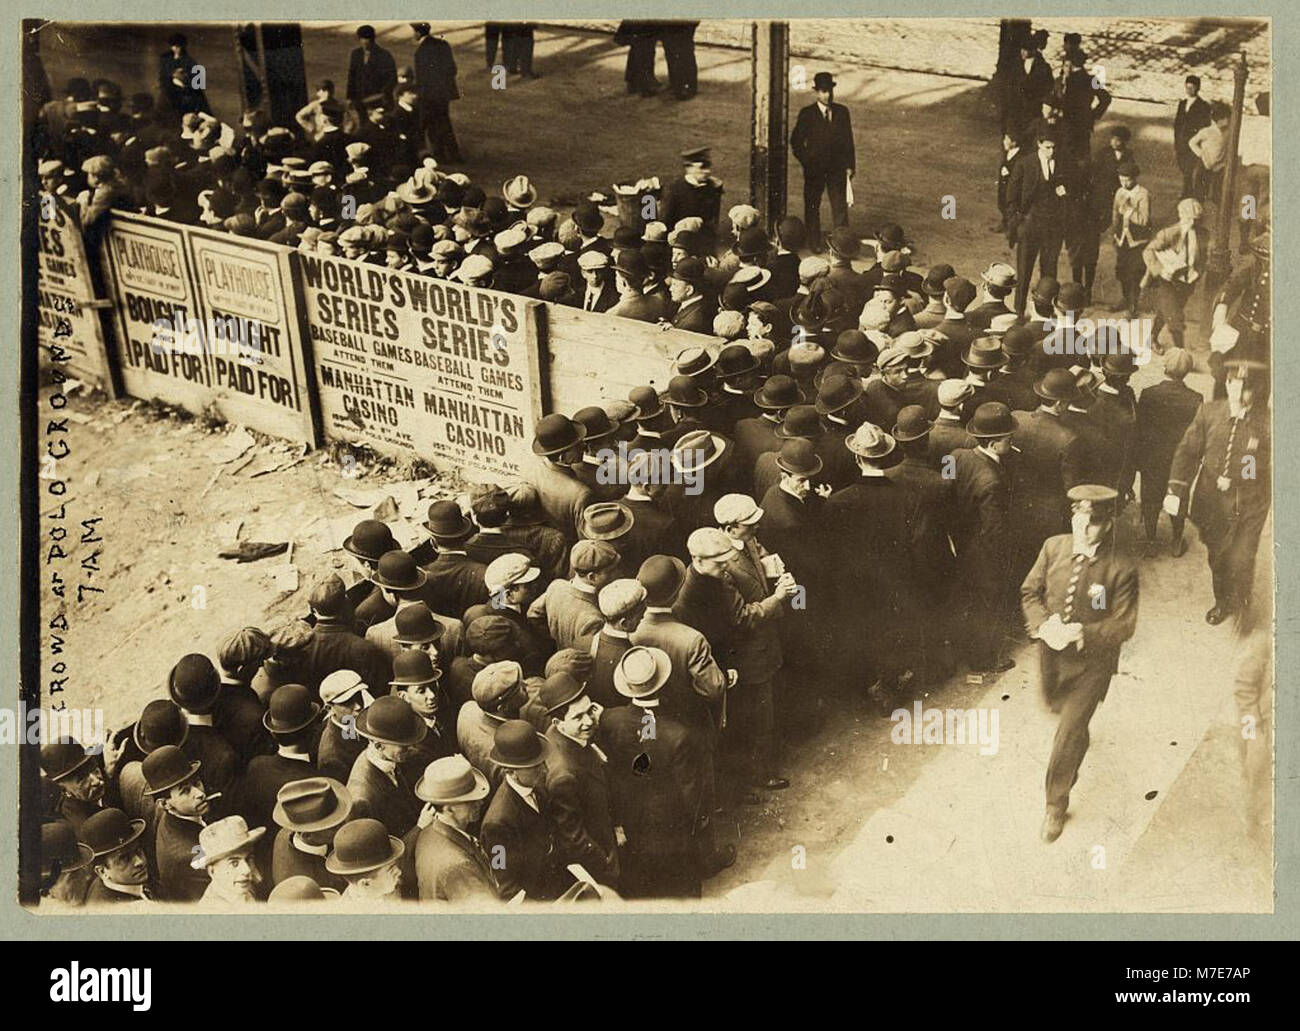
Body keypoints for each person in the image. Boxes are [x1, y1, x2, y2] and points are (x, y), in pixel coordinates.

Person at [1020, 485, 1138, 844]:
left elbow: (1124, 623)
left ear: (1109, 525)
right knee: (1063, 716)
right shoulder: (1053, 547)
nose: (1085, 529)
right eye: (1080, 518)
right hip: (1053, 659)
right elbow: (1030, 592)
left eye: (1094, 522)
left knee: (1067, 733)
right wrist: (1043, 625)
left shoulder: (1120, 567)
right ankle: (1077, 738)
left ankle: (1055, 804)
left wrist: (1083, 633)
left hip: (1092, 665)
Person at [598, 646, 710, 898]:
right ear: (661, 683)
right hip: (670, 824)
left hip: (629, 817)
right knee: (681, 884)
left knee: (643, 881)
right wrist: (699, 820)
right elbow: (690, 791)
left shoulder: (610, 719)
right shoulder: (677, 734)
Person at [1166, 360, 1271, 625]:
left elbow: (1265, 465)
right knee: (1217, 554)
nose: (1241, 393)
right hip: (1211, 499)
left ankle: (1242, 601)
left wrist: (1236, 479)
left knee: (1242, 555)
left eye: (1247, 387)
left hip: (1249, 501)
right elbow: (1187, 451)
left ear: (1256, 390)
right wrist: (1175, 489)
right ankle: (1222, 601)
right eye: (1236, 385)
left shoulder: (1265, 422)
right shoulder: (1208, 412)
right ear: (1227, 383)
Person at [540, 674, 621, 886]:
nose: (589, 721)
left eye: (589, 711)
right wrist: (606, 863)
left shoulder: (561, 734)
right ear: (558, 722)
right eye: (578, 717)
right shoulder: (564, 775)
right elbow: (574, 838)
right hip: (598, 861)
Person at [480, 720, 566, 900]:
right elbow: (506, 887)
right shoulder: (496, 824)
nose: (545, 770)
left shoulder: (536, 786)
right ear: (511, 771)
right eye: (535, 767)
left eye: (543, 762)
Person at [1134, 348, 1201, 557]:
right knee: (1177, 497)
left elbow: (1140, 429)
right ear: (1188, 371)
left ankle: (1150, 539)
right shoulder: (1195, 398)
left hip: (1152, 457)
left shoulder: (1149, 394)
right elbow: (1196, 434)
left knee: (1150, 498)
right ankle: (1177, 540)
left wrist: (1139, 459)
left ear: (1164, 366)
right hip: (1180, 460)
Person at [1005, 129, 1075, 315]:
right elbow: (1011, 195)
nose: (1051, 151)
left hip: (1053, 227)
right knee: (1024, 270)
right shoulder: (1025, 164)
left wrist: (1064, 194)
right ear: (1039, 144)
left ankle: (1045, 311)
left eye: (1054, 147)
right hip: (1030, 225)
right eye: (1047, 147)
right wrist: (1017, 221)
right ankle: (1019, 310)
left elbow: (1071, 189)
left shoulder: (1062, 164)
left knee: (1049, 270)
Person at [412, 755, 500, 901]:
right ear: (448, 809)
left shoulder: (428, 831)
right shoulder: (458, 865)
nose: (480, 803)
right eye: (470, 801)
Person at [790, 71, 856, 251]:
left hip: (837, 169)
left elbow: (848, 141)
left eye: (830, 91)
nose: (828, 95)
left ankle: (841, 245)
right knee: (812, 206)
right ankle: (814, 243)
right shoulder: (807, 114)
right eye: (824, 91)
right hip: (815, 170)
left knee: (840, 208)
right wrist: (807, 161)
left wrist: (850, 166)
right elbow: (796, 141)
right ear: (817, 92)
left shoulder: (842, 112)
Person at [142, 745, 211, 902]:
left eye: (197, 783)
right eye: (185, 791)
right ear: (165, 804)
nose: (200, 794)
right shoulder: (187, 857)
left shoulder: (178, 816)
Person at [1143, 197, 1207, 353]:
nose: (1192, 223)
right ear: (1181, 216)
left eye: (1196, 220)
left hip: (1187, 281)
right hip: (1167, 281)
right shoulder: (1169, 233)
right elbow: (1148, 251)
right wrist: (1160, 270)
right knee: (1175, 317)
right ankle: (1180, 352)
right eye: (1189, 219)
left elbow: (1203, 257)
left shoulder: (1203, 234)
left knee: (1168, 311)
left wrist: (1197, 273)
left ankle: (1152, 337)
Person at [269, 777, 352, 894]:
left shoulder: (284, 833)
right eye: (333, 826)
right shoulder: (306, 885)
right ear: (307, 835)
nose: (345, 826)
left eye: (341, 819)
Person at [81, 807, 156, 905]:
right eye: (124, 858)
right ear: (102, 871)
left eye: (138, 851)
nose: (139, 862)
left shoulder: (124, 883)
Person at [411, 22, 461, 163]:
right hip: (444, 93)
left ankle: (440, 155)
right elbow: (453, 69)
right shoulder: (443, 44)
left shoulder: (420, 51)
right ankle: (454, 154)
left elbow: (421, 78)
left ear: (418, 33)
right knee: (445, 123)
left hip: (429, 95)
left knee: (433, 126)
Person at [325, 817, 406, 903]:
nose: (399, 872)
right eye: (391, 871)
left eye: (395, 865)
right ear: (365, 884)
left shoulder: (386, 888)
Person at [1109, 159, 1150, 316]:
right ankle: (1125, 299)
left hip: (1137, 241)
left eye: (1127, 180)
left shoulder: (1143, 194)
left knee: (1135, 273)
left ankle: (1133, 304)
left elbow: (1144, 220)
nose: (1124, 183)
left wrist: (1129, 210)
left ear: (1134, 178)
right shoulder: (1119, 192)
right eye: (1121, 180)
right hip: (1122, 239)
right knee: (1122, 271)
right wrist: (1115, 232)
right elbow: (1115, 214)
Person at [193, 815, 265, 906]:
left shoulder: (246, 890)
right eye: (234, 863)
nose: (247, 870)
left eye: (248, 859)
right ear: (212, 871)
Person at [661, 147, 724, 245]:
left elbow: (712, 221)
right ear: (689, 168)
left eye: (708, 167)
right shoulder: (675, 189)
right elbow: (666, 220)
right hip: (679, 243)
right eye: (702, 167)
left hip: (704, 244)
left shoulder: (712, 187)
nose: (707, 171)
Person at [346, 26, 397, 116]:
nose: (365, 41)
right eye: (362, 38)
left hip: (378, 101)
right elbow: (352, 76)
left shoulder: (384, 55)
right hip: (360, 100)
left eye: (368, 39)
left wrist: (382, 95)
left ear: (373, 39)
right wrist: (350, 97)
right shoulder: (356, 54)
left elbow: (392, 79)